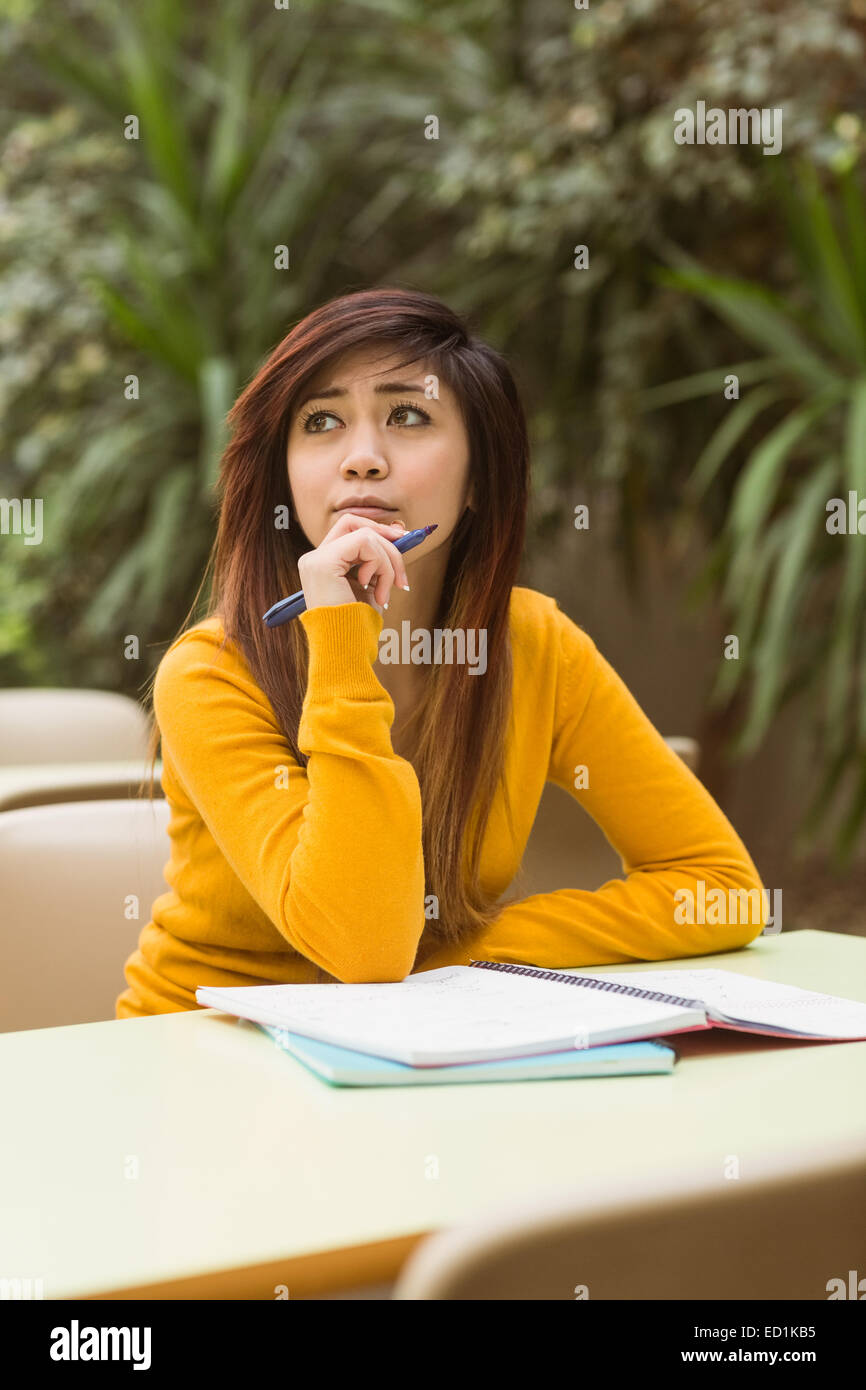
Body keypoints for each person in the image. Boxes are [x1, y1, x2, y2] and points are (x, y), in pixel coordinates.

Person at [116, 287, 766, 1018]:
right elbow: (363, 948)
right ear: (282, 477)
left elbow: (720, 889)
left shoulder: (532, 646)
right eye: (322, 421)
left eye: (408, 416)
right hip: (206, 1056)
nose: (362, 459)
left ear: (480, 479)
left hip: (423, 1050)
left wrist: (471, 953)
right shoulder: (211, 672)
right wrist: (340, 643)